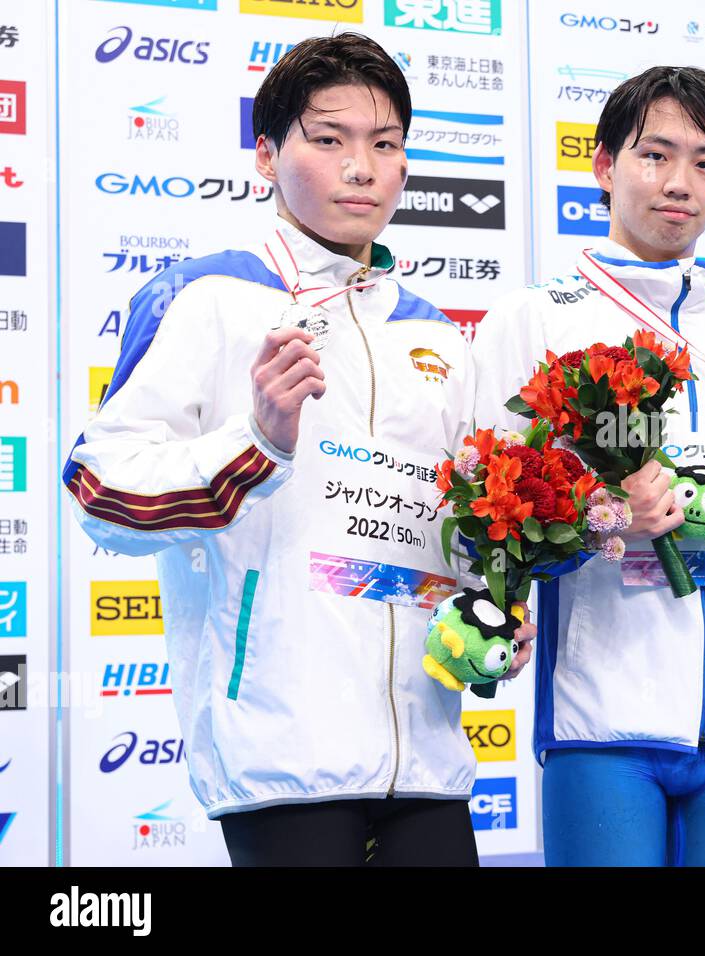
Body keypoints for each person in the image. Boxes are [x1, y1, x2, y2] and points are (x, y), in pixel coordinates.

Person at [62, 33, 528, 866]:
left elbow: (460, 528)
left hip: (429, 759)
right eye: (330, 139)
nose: (362, 167)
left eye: (384, 145)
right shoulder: (208, 297)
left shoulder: (437, 335)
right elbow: (100, 491)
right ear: (267, 156)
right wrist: (257, 444)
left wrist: (492, 609)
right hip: (281, 756)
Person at [472, 66, 705, 866]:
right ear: (603, 166)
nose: (680, 183)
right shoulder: (533, 321)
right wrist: (604, 515)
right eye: (655, 155)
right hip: (604, 719)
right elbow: (481, 524)